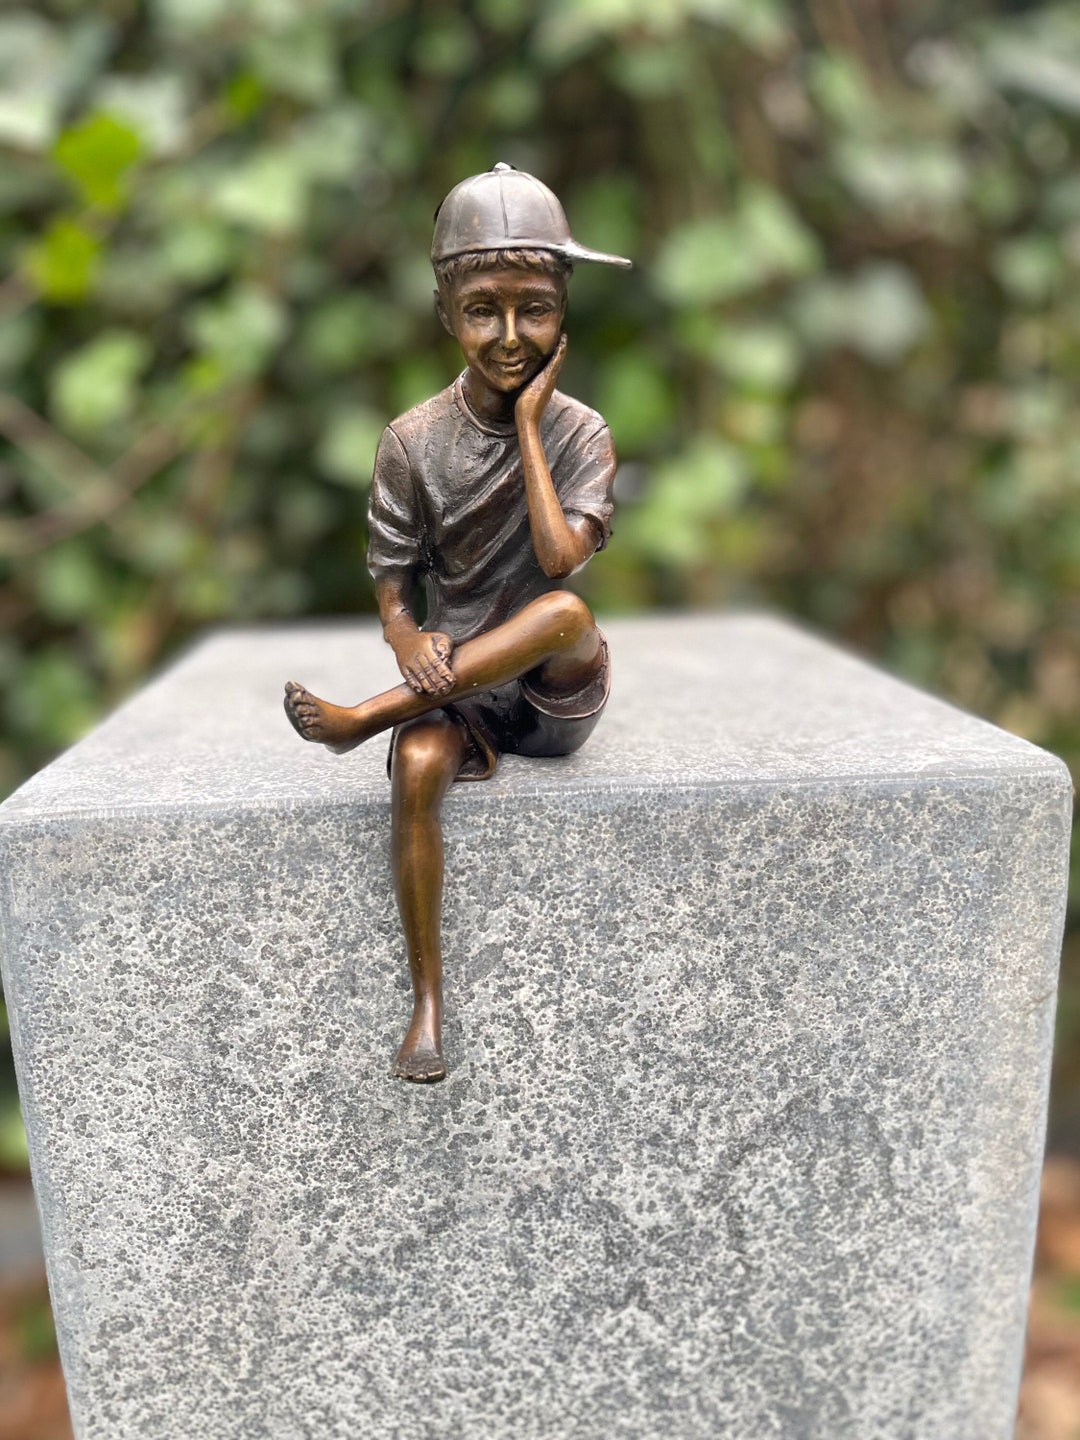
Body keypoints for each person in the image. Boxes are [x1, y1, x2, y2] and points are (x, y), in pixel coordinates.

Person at [284, 163, 631, 1082]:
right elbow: (393, 583)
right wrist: (407, 637)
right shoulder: (412, 442)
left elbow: (561, 561)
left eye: (535, 310)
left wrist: (528, 426)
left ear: (564, 312)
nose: (510, 335)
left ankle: (367, 717)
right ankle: (427, 1006)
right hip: (451, 686)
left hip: (553, 693)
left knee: (564, 612)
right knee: (421, 765)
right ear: (445, 312)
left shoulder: (581, 433)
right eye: (483, 309)